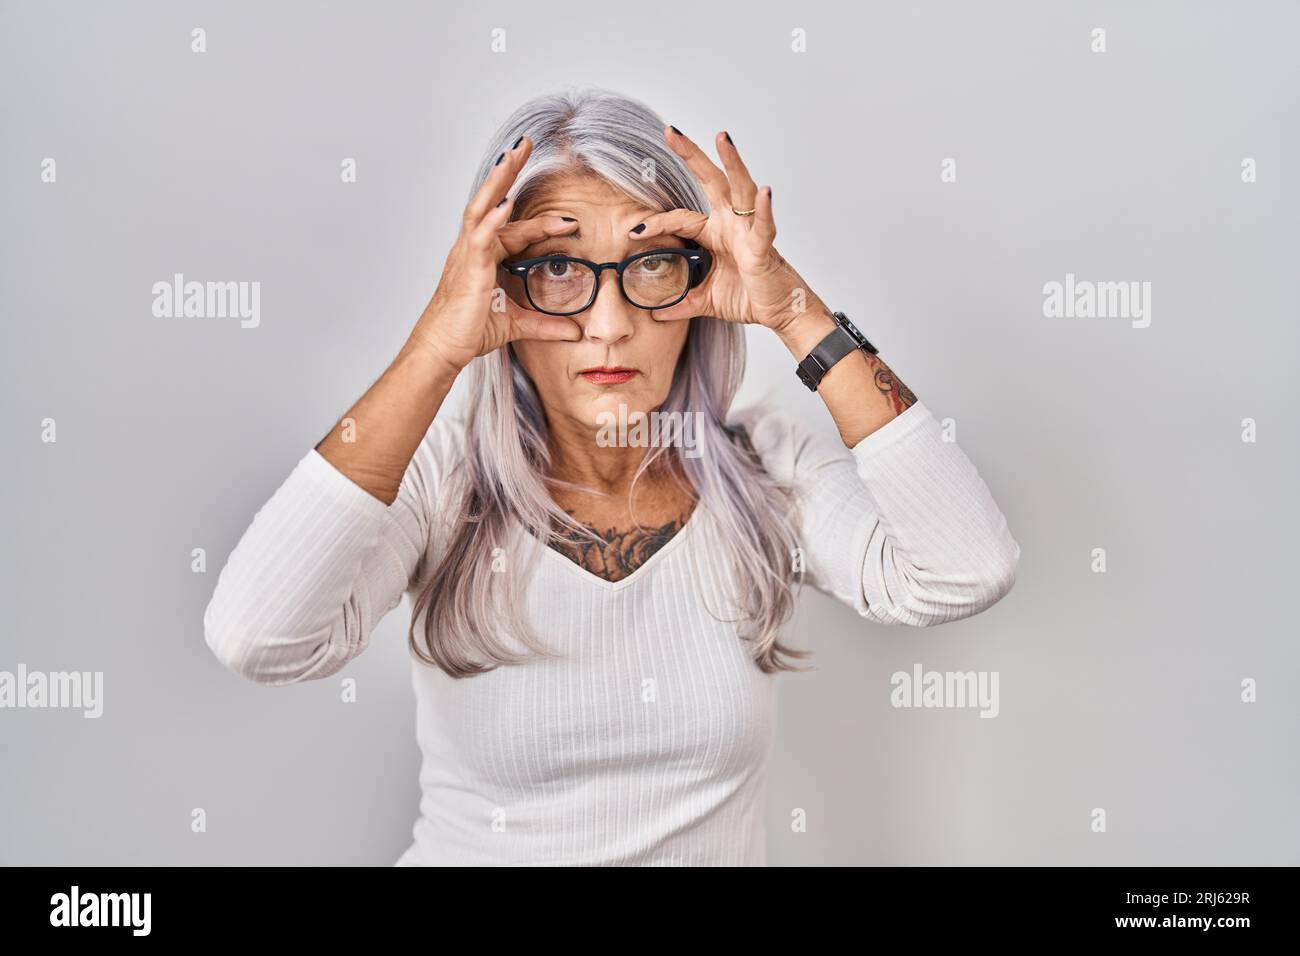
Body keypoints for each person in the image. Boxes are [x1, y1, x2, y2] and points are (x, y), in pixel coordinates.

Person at [203, 87, 1020, 866]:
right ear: (495, 284)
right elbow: (260, 638)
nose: (609, 325)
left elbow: (963, 570)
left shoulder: (764, 468)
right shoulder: (443, 482)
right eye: (557, 268)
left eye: (653, 262)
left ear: (701, 277)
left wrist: (792, 308)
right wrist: (435, 347)